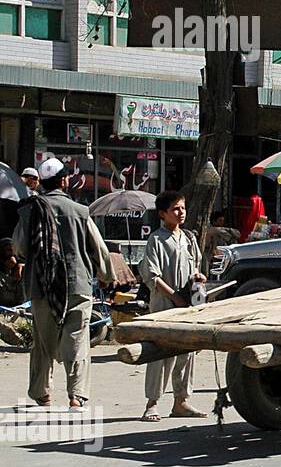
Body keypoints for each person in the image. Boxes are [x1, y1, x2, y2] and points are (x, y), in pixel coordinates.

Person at [11, 158, 113, 408]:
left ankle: (42, 393)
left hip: (42, 287)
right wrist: (107, 276)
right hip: (77, 284)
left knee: (43, 342)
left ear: (41, 183)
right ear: (65, 180)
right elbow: (99, 248)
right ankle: (76, 395)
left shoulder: (29, 210)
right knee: (77, 340)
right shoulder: (80, 211)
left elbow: (19, 247)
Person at [138, 191, 207, 422]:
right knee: (160, 355)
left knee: (187, 355)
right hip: (163, 306)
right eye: (175, 209)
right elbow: (152, 277)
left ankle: (181, 401)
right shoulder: (156, 240)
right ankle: (152, 403)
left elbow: (196, 266)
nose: (181, 213)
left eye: (183, 208)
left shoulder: (188, 238)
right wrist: (174, 297)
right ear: (162, 213)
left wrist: (198, 277)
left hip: (188, 307)